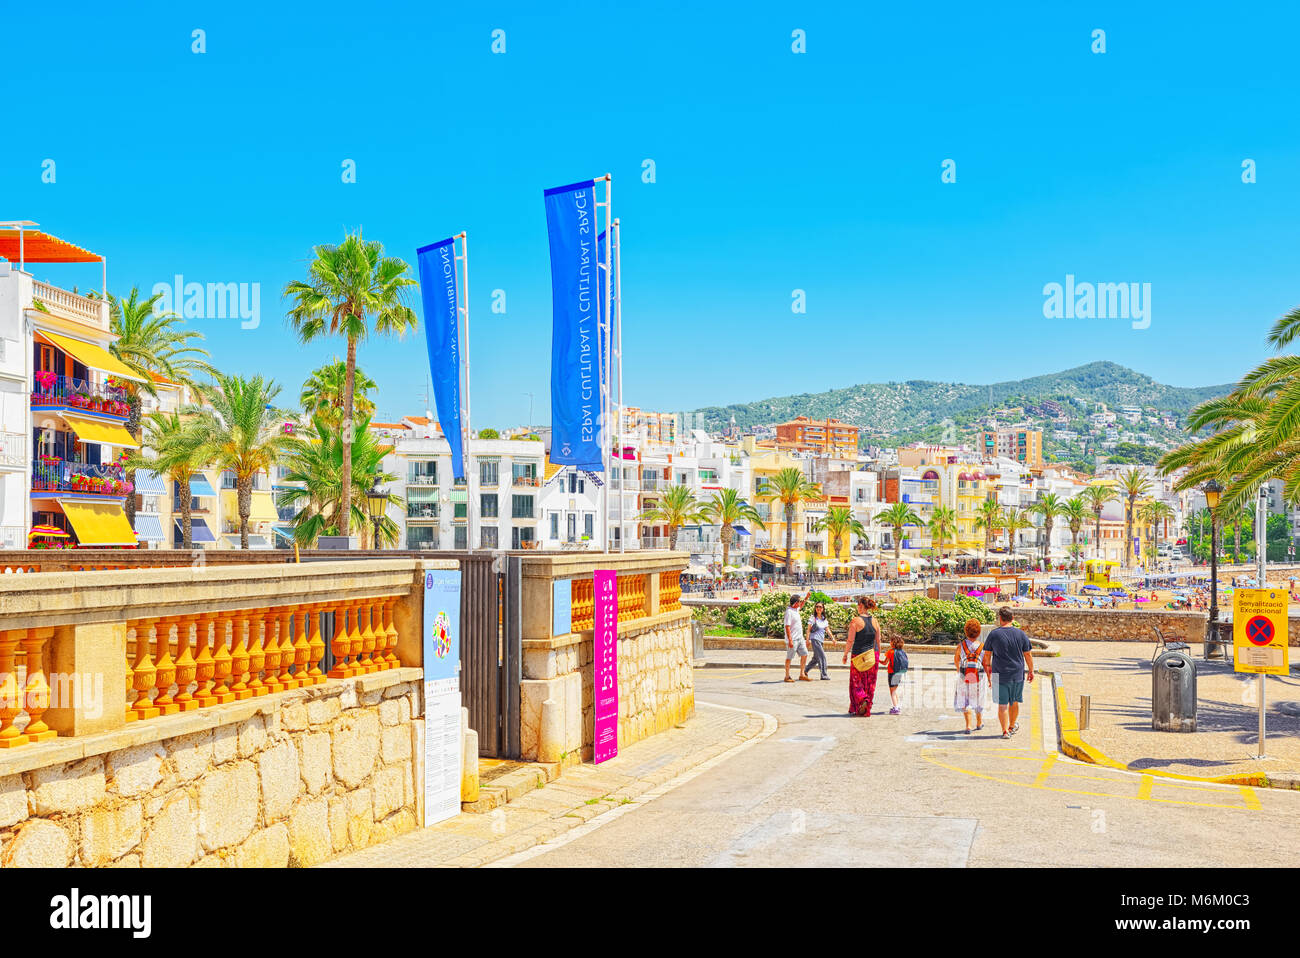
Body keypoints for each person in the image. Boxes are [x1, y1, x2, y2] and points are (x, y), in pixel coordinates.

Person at [981, 606, 1034, 739]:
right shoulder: (1021, 634)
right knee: (1014, 701)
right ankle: (1011, 726)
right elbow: (1028, 654)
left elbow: (987, 656)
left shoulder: (994, 634)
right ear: (1012, 618)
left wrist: (988, 674)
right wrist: (1031, 670)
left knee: (1002, 704)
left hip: (999, 674)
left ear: (1000, 618)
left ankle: (1005, 731)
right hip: (1017, 673)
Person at [842, 596, 881, 715]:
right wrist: (878, 654)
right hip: (872, 656)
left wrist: (845, 654)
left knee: (856, 682)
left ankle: (862, 699)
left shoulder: (855, 621)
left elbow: (850, 640)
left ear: (860, 606)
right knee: (870, 683)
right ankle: (865, 708)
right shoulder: (875, 621)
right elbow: (878, 640)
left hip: (858, 655)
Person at [953, 618, 987, 733]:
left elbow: (956, 660)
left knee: (964, 699)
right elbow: (985, 663)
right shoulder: (982, 647)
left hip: (964, 676)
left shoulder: (961, 645)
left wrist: (959, 670)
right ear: (978, 632)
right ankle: (979, 722)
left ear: (966, 631)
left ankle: (968, 725)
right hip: (979, 677)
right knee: (979, 699)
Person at [802, 601, 831, 681]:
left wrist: (833, 639)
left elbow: (827, 629)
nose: (818, 608)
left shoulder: (824, 619)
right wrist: (807, 640)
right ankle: (824, 675)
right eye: (817, 606)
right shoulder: (812, 618)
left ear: (823, 609)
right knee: (822, 657)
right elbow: (808, 630)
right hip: (815, 639)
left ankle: (805, 671)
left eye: (820, 607)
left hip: (821, 640)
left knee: (815, 658)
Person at [783, 594, 809, 683]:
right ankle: (787, 676)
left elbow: (801, 606)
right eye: (799, 601)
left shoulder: (796, 609)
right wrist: (790, 640)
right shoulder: (789, 612)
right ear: (796, 602)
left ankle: (802, 674)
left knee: (804, 654)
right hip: (793, 639)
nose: (800, 603)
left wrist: (806, 598)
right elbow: (787, 627)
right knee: (789, 657)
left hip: (800, 638)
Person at [884, 635, 908, 714]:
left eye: (890, 641)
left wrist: (877, 660)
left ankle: (896, 708)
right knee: (894, 690)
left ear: (893, 643)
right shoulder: (902, 651)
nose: (889, 642)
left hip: (892, 673)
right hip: (899, 672)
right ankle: (896, 706)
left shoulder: (890, 652)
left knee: (892, 691)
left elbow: (885, 663)